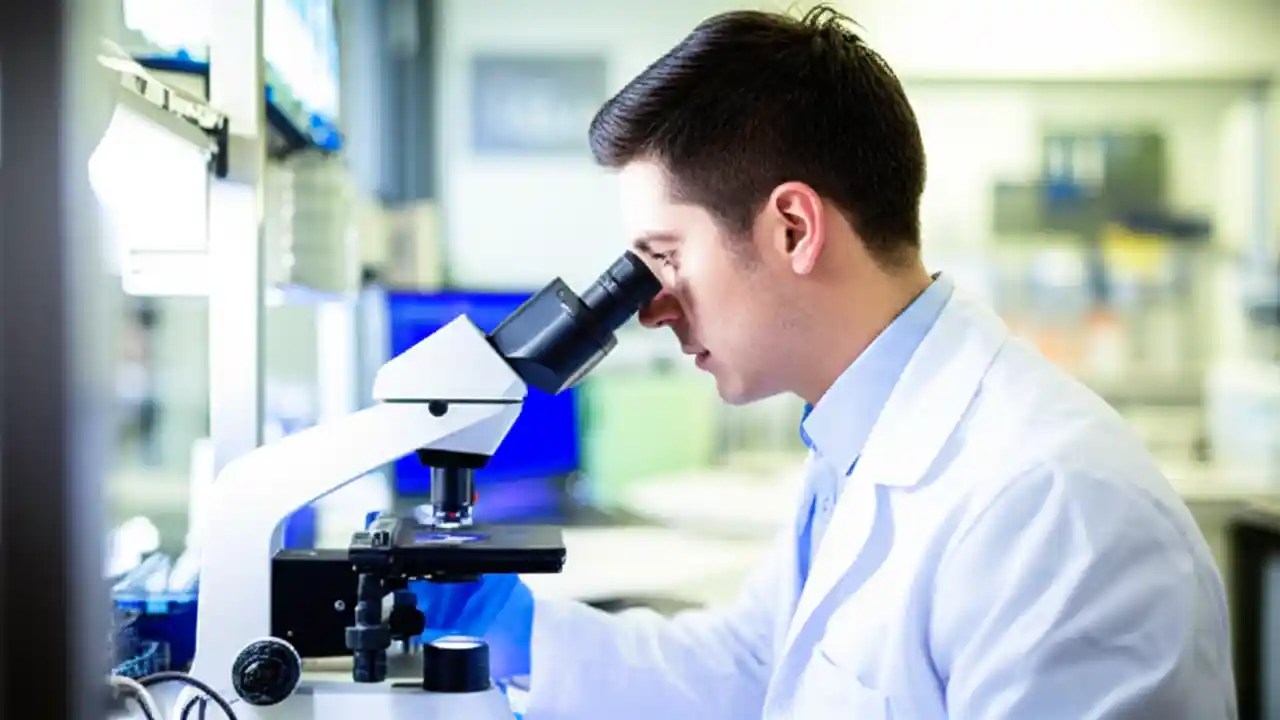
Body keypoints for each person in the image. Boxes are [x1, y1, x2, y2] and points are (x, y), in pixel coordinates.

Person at [414, 6, 1236, 718]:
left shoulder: (1055, 512)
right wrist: (519, 635)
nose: (653, 309)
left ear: (795, 230)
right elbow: (757, 669)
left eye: (663, 259)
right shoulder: (857, 438)